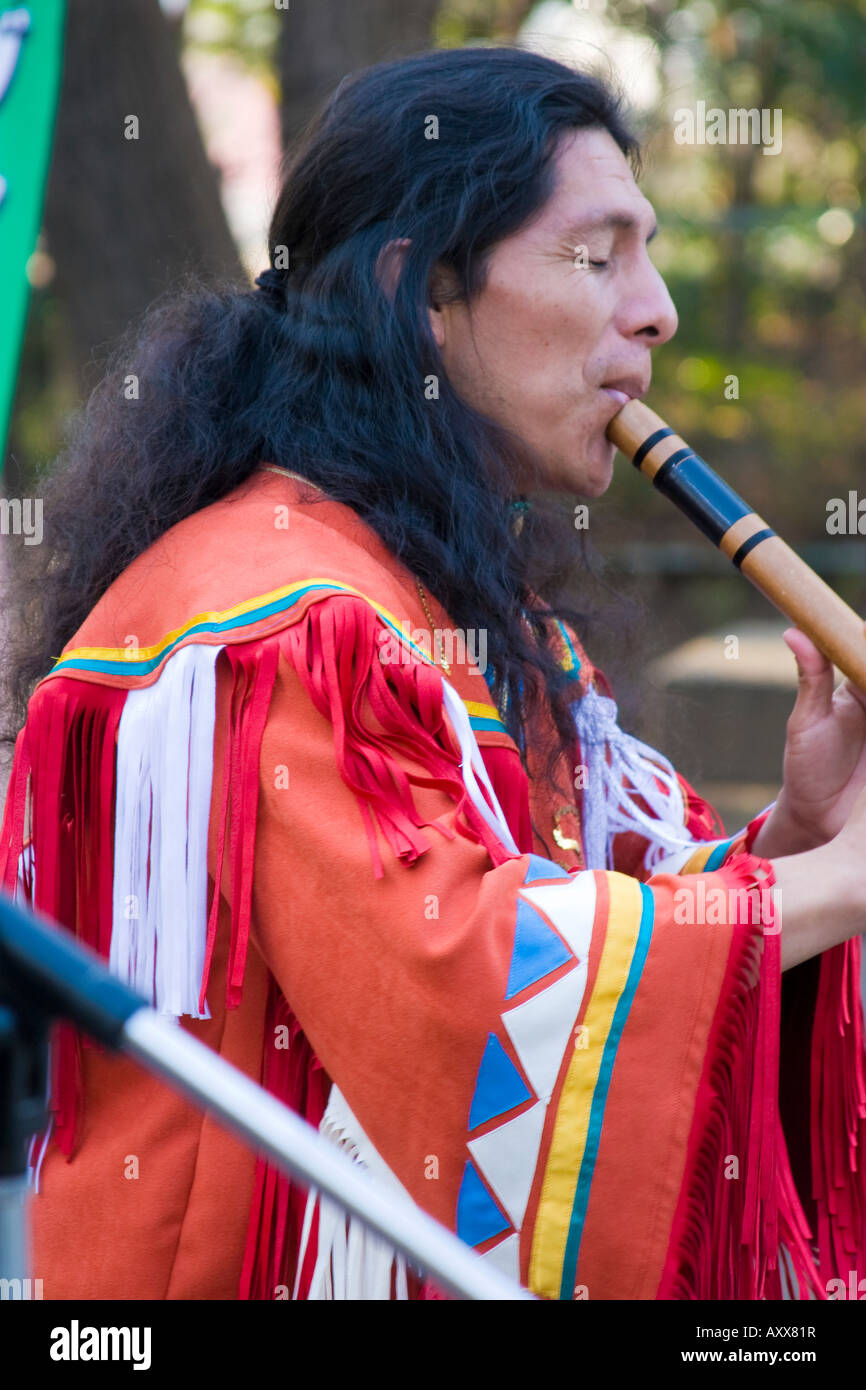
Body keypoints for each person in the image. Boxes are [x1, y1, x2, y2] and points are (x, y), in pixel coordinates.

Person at [2, 45, 866, 1302]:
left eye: (650, 250)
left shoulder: (443, 605)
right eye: (596, 253)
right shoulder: (273, 614)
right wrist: (842, 881)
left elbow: (589, 911)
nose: (656, 308)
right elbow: (462, 978)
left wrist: (800, 833)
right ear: (421, 289)